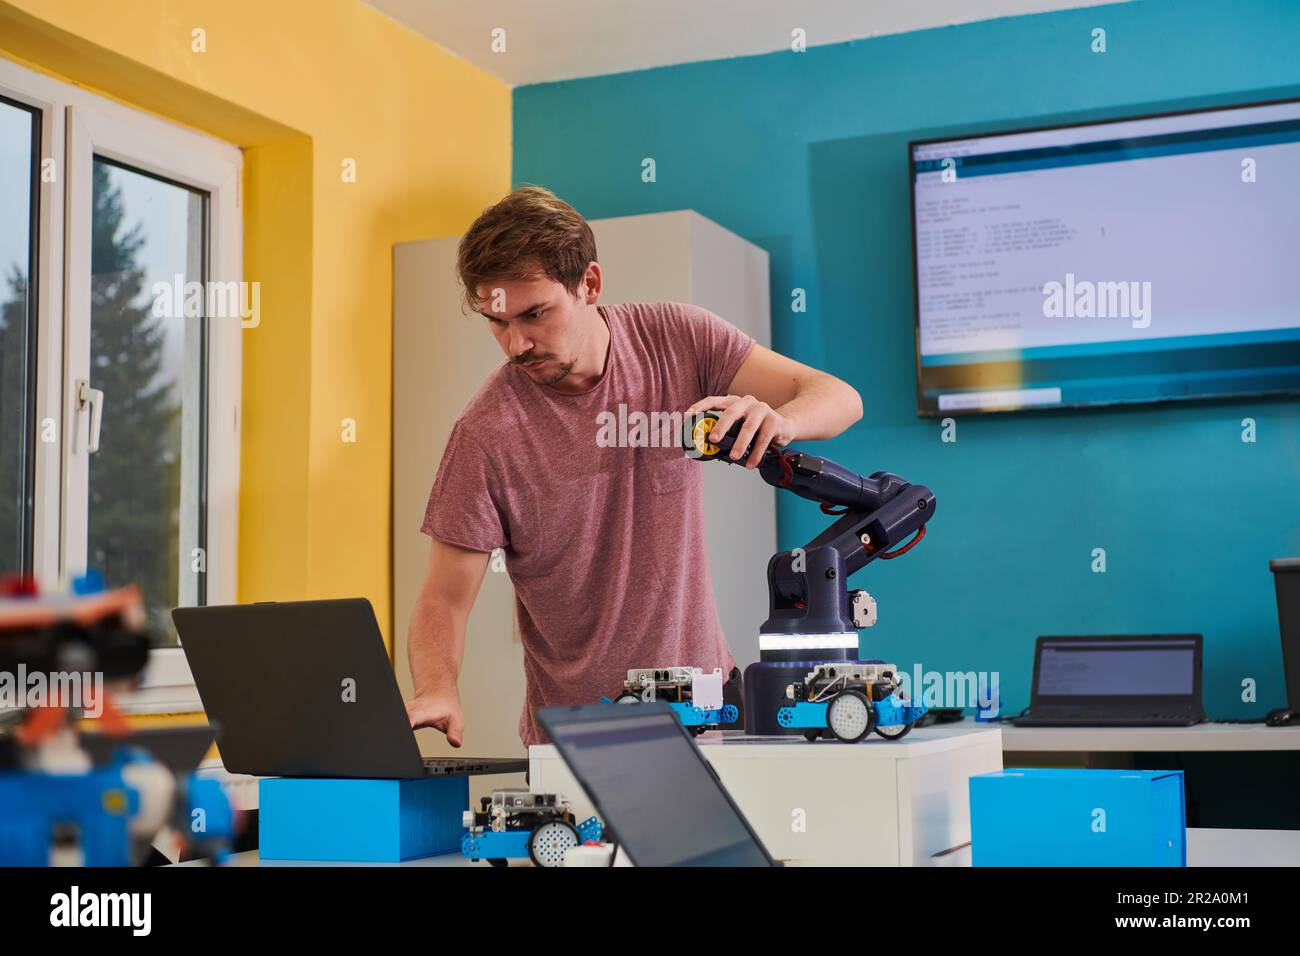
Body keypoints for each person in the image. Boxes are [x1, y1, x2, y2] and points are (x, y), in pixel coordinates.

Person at [406, 186, 862, 747]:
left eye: (535, 314)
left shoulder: (677, 339)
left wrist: (780, 420)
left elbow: (837, 397)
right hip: (579, 737)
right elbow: (443, 598)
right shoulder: (485, 433)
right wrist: (437, 687)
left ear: (589, 285)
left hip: (710, 706)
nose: (516, 344)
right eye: (496, 322)